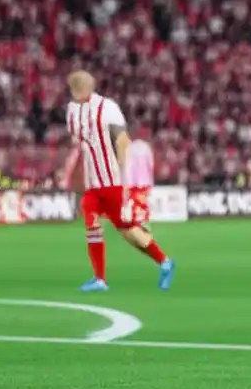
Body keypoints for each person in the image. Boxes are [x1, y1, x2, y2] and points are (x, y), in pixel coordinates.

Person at [66, 71, 175, 292]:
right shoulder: (72, 110)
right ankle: (100, 279)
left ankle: (164, 261)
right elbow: (79, 144)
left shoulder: (107, 107)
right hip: (92, 184)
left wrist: (125, 180)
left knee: (129, 231)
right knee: (92, 225)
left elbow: (123, 141)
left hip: (113, 182)